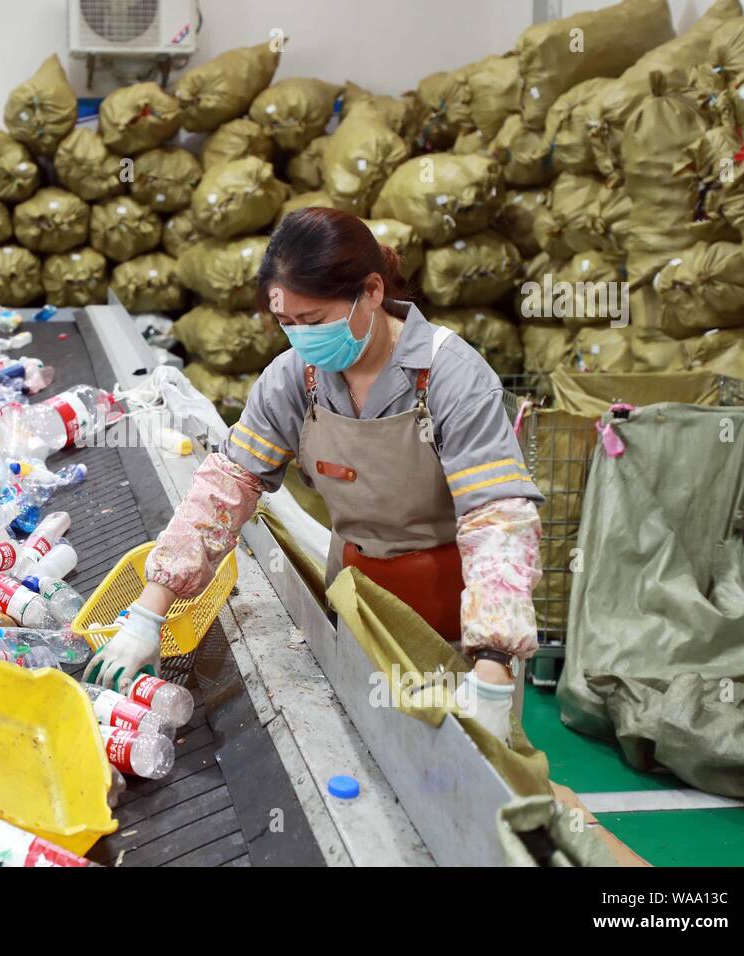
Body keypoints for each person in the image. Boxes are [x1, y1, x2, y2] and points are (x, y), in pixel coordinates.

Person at [86, 207, 544, 745]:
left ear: (371, 291)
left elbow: (498, 518)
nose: (302, 337)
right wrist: (149, 612)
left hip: (457, 620)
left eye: (317, 319)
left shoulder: (449, 376)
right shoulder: (294, 380)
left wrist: (491, 669)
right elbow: (227, 486)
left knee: (469, 782)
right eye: (289, 323)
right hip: (359, 602)